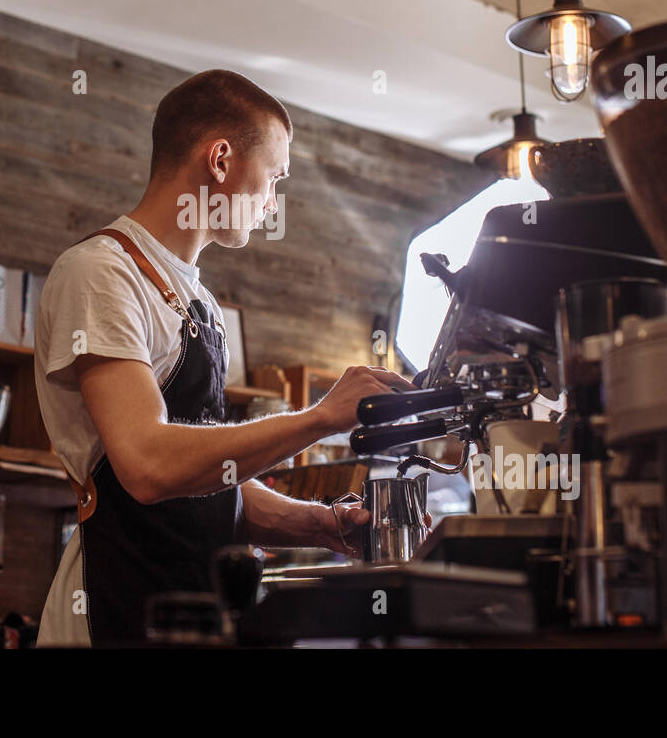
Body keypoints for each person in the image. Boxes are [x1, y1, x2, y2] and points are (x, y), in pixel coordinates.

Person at [33, 69, 417, 646]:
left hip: (195, 607)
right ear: (220, 160)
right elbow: (147, 465)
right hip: (112, 608)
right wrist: (320, 417)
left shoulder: (202, 303)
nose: (270, 204)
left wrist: (325, 525)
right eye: (273, 177)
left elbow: (208, 486)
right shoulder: (100, 273)